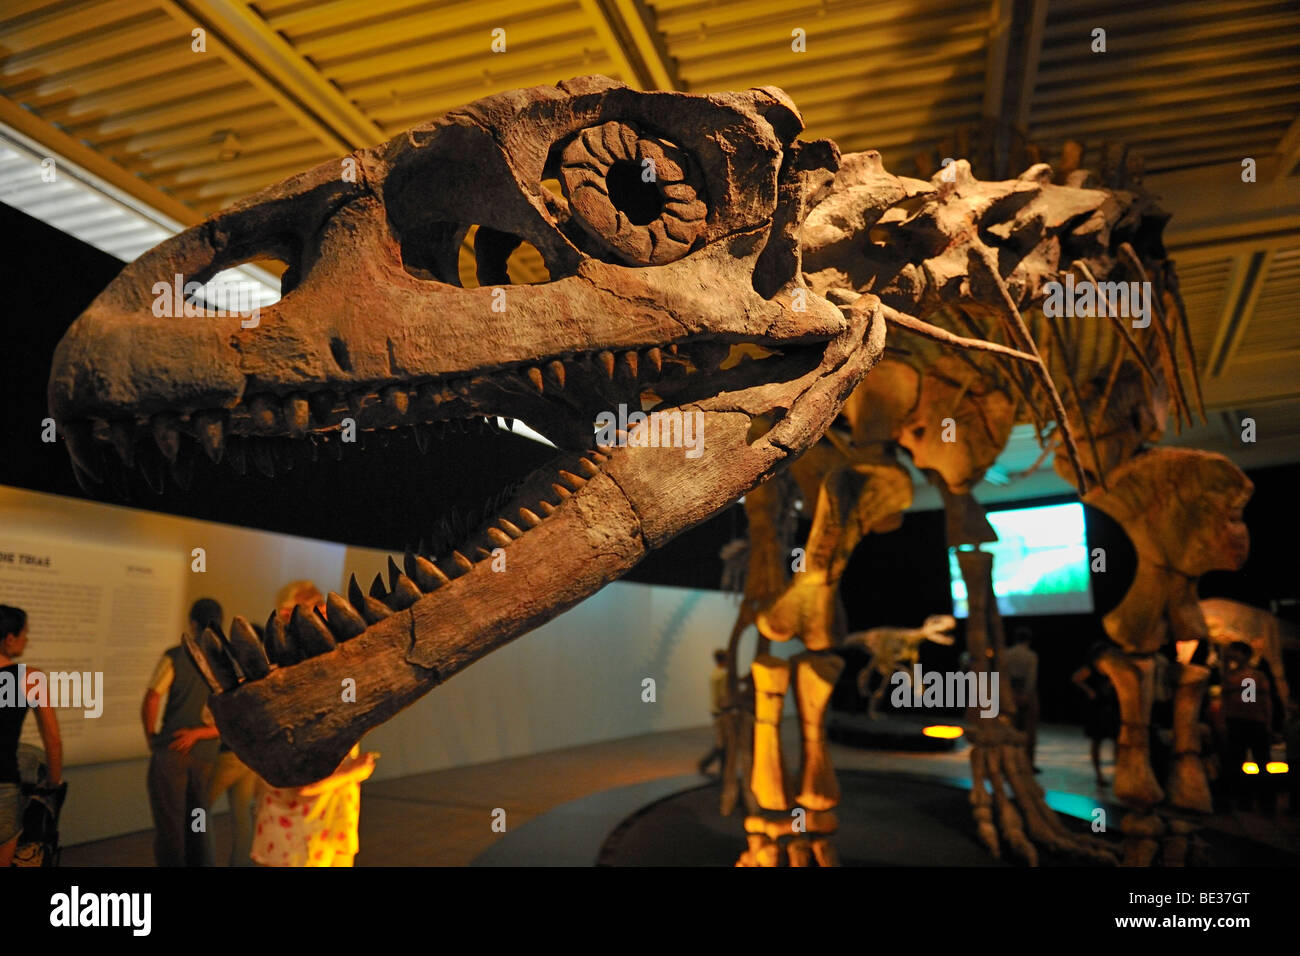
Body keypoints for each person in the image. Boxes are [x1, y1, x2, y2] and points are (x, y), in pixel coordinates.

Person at [251, 581, 376, 866]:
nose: (324, 612)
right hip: (298, 839)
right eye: (313, 607)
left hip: (331, 830)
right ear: (285, 615)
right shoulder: (284, 678)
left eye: (322, 606)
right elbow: (299, 779)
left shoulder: (329, 671)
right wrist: (354, 773)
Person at [142, 598, 223, 866]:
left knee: (170, 826)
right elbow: (232, 715)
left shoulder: (176, 655)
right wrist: (201, 734)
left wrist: (151, 737)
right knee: (198, 822)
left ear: (193, 623)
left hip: (173, 750)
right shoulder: (227, 661)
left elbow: (152, 698)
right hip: (207, 755)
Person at [0, 605, 62, 867]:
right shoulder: (28, 678)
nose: (27, 639)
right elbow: (52, 738)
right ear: (9, 638)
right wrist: (53, 781)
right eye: (24, 633)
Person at [1220, 640, 1275, 810]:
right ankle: (1245, 800)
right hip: (1238, 722)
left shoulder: (1252, 676)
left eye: (1234, 652)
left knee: (1261, 762)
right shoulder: (1232, 674)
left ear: (1244, 654)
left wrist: (1268, 722)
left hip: (1251, 722)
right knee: (1237, 762)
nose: (1231, 655)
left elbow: (1249, 699)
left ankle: (1264, 801)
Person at [1072, 643, 1119, 786]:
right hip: (1097, 708)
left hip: (1109, 707)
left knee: (1116, 741)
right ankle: (1099, 775)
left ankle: (1117, 773)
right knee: (1097, 741)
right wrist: (1089, 691)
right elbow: (1076, 678)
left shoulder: (1111, 669)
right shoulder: (1091, 668)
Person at [1003, 627, 1040, 772]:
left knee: (1011, 728)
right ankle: (1027, 764)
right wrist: (1026, 694)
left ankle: (1010, 763)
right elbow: (1031, 678)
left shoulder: (1006, 654)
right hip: (1025, 692)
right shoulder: (1030, 655)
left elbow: (1002, 674)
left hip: (1009, 692)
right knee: (1029, 731)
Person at [698, 649, 729, 776]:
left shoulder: (714, 674)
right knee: (722, 743)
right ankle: (706, 764)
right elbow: (723, 695)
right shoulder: (722, 675)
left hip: (716, 711)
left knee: (723, 742)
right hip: (722, 712)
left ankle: (721, 769)